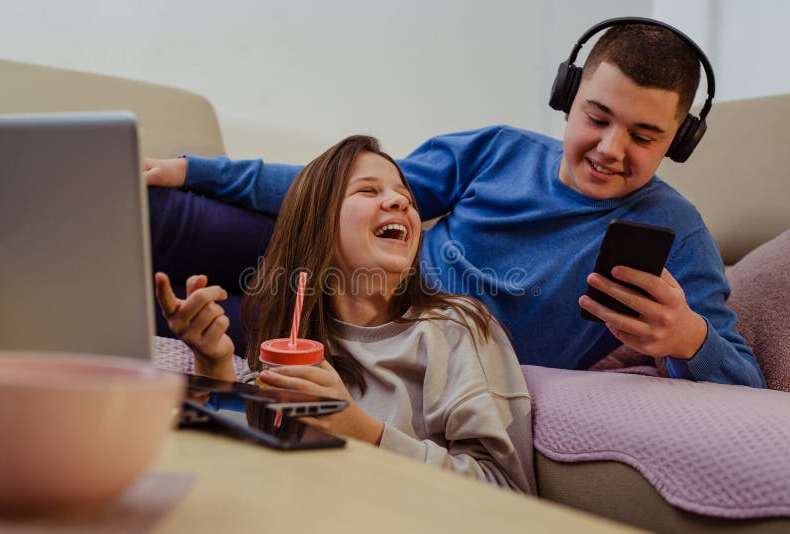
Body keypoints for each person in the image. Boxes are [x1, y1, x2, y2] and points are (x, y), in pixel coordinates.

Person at [146, 18, 765, 388]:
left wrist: (686, 338)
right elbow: (340, 188)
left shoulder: (676, 232)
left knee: (175, 309)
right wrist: (194, 169)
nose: (609, 149)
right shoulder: (497, 150)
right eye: (597, 117)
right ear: (567, 96)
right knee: (156, 211)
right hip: (344, 256)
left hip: (374, 328)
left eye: (644, 136)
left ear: (679, 141)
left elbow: (746, 382)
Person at [154, 135, 536, 493]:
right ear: (317, 224)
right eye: (368, 190)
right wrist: (214, 363)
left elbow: (506, 489)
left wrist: (364, 431)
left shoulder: (458, 329)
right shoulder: (294, 337)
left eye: (406, 197)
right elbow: (249, 460)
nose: (400, 202)